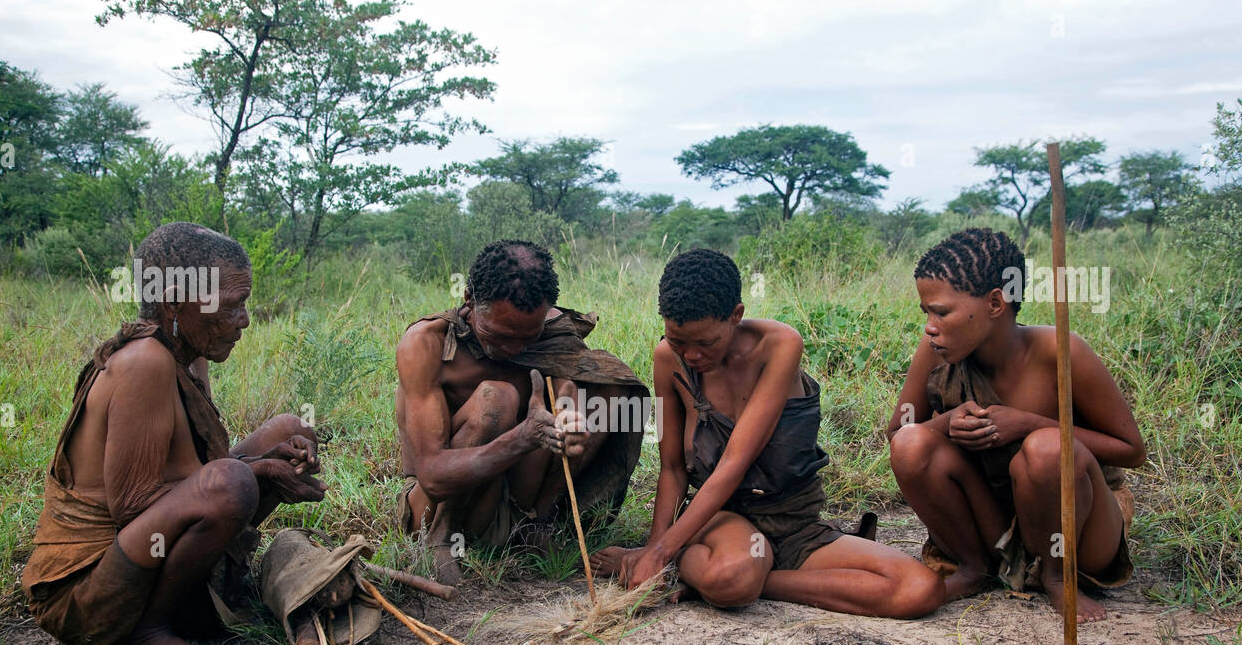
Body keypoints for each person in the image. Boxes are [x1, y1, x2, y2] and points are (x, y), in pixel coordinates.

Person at [21, 222, 327, 645]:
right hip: (90, 595)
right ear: (174, 304)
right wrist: (259, 473)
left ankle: (200, 593)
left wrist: (269, 462)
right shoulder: (144, 363)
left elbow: (191, 477)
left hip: (148, 553)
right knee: (234, 480)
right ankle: (147, 633)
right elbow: (133, 508)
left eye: (244, 303)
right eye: (231, 306)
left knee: (289, 427)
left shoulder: (189, 352)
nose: (244, 320)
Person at [591, 248, 943, 618]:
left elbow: (735, 461)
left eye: (706, 342)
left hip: (795, 524)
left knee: (919, 589)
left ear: (736, 316)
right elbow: (672, 470)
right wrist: (654, 549)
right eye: (678, 341)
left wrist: (659, 555)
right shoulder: (667, 359)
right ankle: (722, 569)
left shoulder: (780, 345)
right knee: (733, 579)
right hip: (725, 522)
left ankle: (755, 577)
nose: (690, 355)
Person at [886, 227, 1145, 622]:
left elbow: (1131, 451)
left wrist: (1029, 424)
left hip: (1078, 524)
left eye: (941, 311)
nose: (930, 326)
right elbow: (899, 433)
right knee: (911, 445)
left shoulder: (1059, 351)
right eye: (927, 313)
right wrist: (947, 424)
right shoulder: (938, 350)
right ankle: (976, 568)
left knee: (1046, 448)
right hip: (995, 519)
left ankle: (1056, 578)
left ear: (994, 303)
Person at [394, 240, 648, 584]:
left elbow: (567, 395)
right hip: (434, 507)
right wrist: (523, 437)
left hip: (510, 502)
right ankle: (441, 540)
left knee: (611, 389)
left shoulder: (553, 334)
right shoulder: (428, 343)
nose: (512, 350)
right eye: (498, 336)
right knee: (495, 400)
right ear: (470, 299)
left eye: (528, 338)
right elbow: (432, 477)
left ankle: (536, 526)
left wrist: (570, 429)